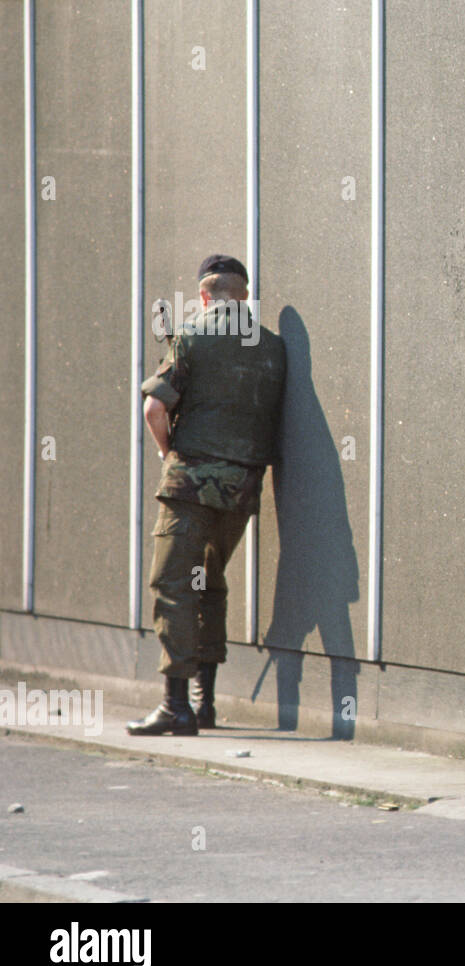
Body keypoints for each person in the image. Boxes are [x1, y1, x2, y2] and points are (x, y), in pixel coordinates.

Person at [127, 255, 287, 735]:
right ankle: (205, 704)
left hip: (190, 484)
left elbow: (155, 408)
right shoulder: (274, 348)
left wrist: (167, 453)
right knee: (206, 583)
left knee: (174, 585)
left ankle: (176, 705)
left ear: (203, 295)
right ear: (244, 296)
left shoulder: (191, 335)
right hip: (241, 491)